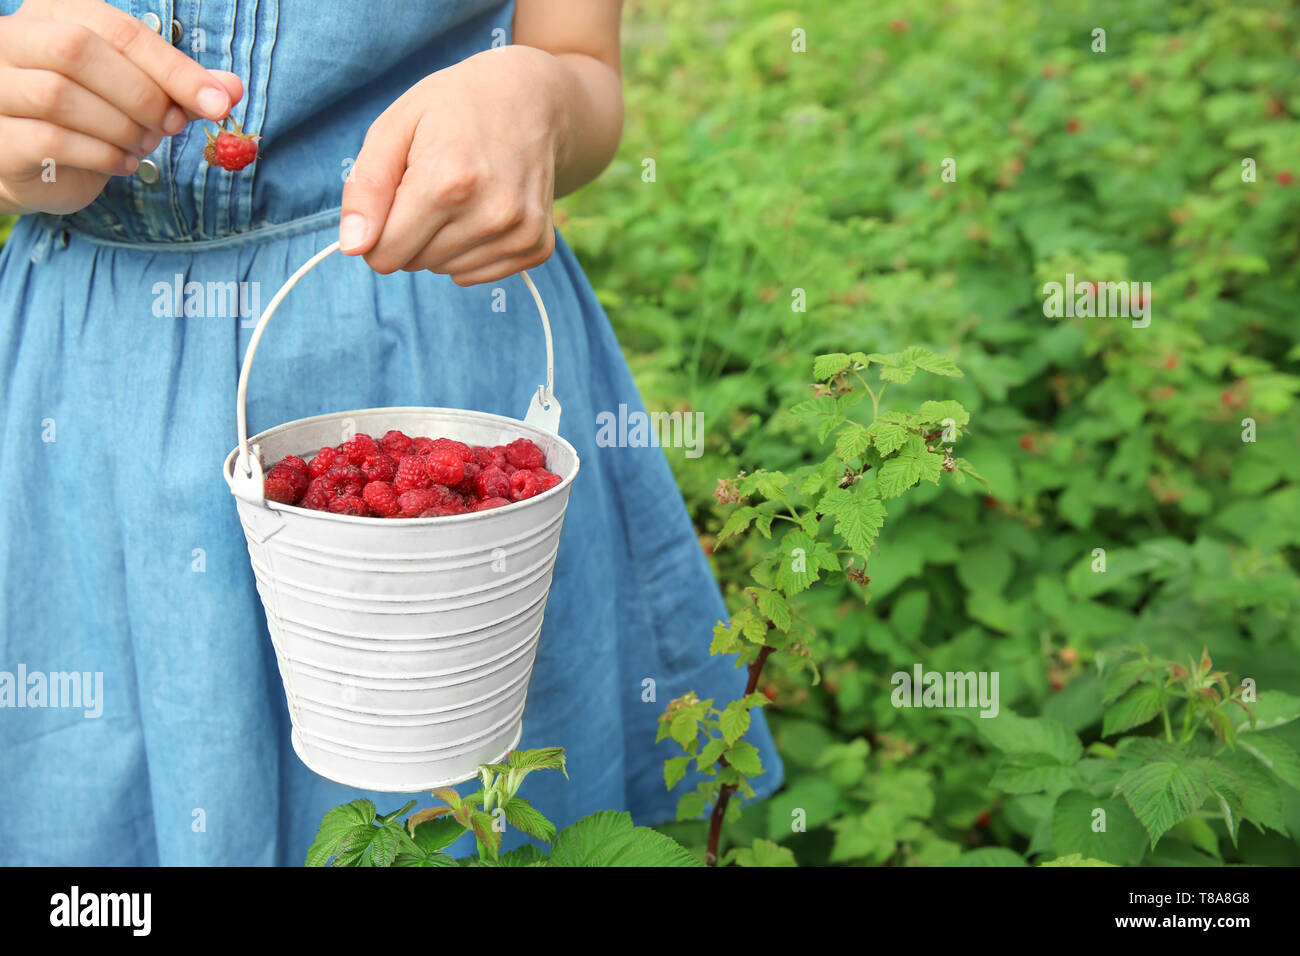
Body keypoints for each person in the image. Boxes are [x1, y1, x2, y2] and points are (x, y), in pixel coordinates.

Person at [0, 0, 781, 864]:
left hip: (441, 333)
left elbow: (581, 69)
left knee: (459, 774)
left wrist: (542, 99)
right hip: (93, 412)